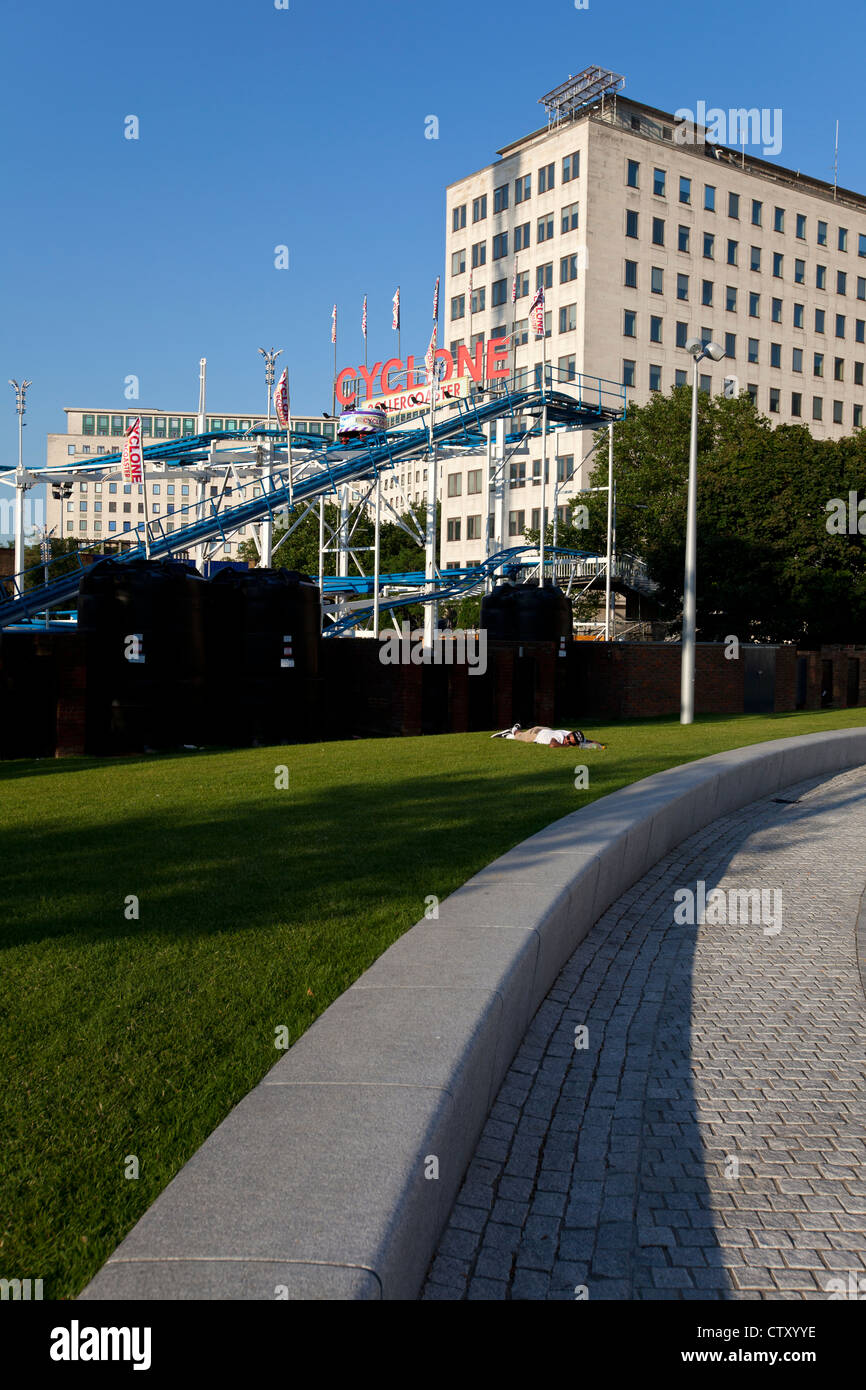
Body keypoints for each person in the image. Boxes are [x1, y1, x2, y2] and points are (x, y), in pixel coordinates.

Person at [490, 723, 606, 749]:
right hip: (535, 735)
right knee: (518, 736)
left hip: (546, 730)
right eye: (567, 740)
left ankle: (509, 733)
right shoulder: (562, 738)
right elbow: (552, 745)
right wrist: (566, 746)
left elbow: (589, 741)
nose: (566, 741)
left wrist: (599, 745)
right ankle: (513, 729)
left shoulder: (575, 737)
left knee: (516, 736)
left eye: (569, 742)